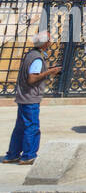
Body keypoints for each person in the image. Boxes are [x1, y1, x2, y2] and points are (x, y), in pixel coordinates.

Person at [2, 31, 60, 165]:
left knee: (20, 127)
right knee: (32, 127)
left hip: (23, 96)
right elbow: (32, 78)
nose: (51, 43)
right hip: (30, 98)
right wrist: (50, 72)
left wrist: (46, 70)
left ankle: (12, 154)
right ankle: (28, 155)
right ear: (45, 43)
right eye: (49, 40)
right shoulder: (37, 58)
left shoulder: (30, 54)